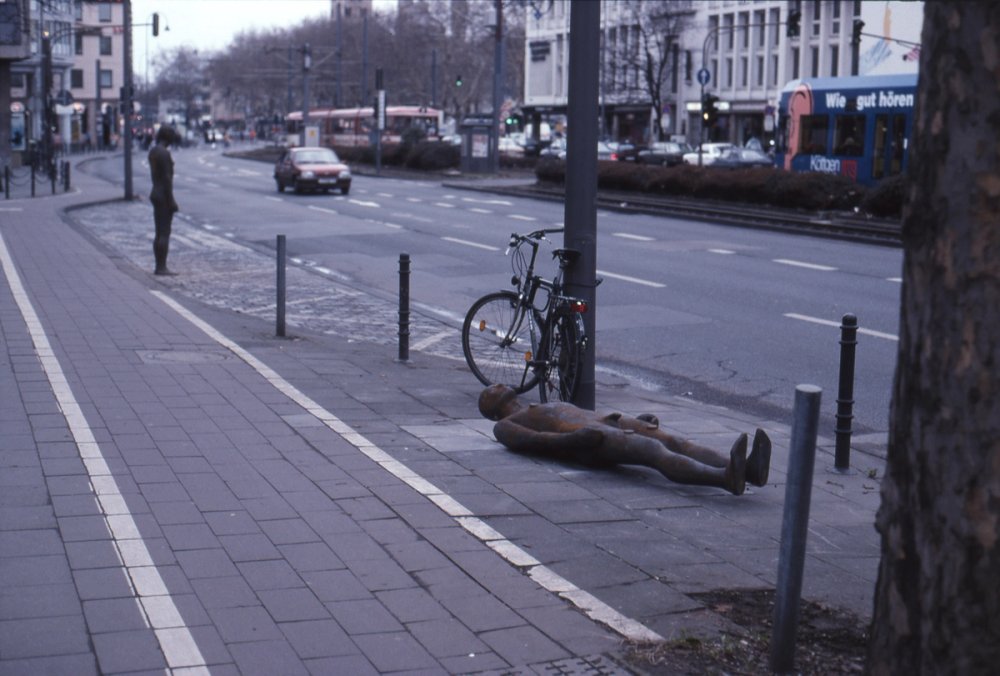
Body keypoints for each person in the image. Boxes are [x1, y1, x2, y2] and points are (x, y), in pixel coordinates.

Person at [478, 384, 771, 496]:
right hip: (590, 440)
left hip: (606, 421)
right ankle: (724, 478)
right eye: (492, 390)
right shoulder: (504, 426)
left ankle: (747, 469)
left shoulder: (535, 404)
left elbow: (580, 413)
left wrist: (637, 419)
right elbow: (536, 441)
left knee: (674, 440)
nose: (499, 385)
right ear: (492, 409)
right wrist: (574, 441)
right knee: (653, 450)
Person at [148, 126, 179, 275]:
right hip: (163, 195)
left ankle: (158, 265)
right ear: (168, 136)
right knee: (164, 232)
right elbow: (167, 179)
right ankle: (161, 267)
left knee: (158, 232)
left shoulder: (154, 151)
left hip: (155, 192)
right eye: (172, 135)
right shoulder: (164, 153)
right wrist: (171, 200)